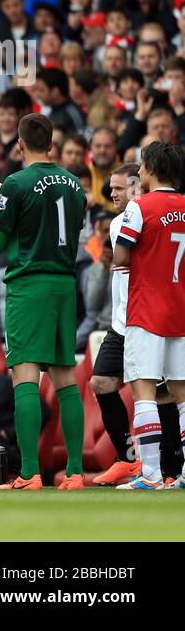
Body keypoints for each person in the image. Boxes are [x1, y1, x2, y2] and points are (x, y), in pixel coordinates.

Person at [0, 113, 88, 490]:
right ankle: (75, 473)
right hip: (64, 282)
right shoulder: (76, 184)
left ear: (20, 144)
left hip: (30, 285)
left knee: (25, 374)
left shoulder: (16, 182)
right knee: (65, 378)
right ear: (52, 142)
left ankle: (29, 474)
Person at [112, 141, 185, 491]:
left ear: (152, 169)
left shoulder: (139, 207)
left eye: (141, 166)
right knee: (183, 395)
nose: (138, 172)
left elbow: (121, 256)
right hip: (181, 310)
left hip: (147, 310)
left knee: (143, 390)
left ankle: (151, 475)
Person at [91, 164, 143, 486]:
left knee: (159, 392)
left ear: (136, 189)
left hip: (147, 321)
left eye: (119, 188)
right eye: (111, 188)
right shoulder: (116, 225)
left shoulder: (145, 220)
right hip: (121, 323)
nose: (112, 193)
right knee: (101, 382)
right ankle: (127, 460)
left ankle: (166, 466)